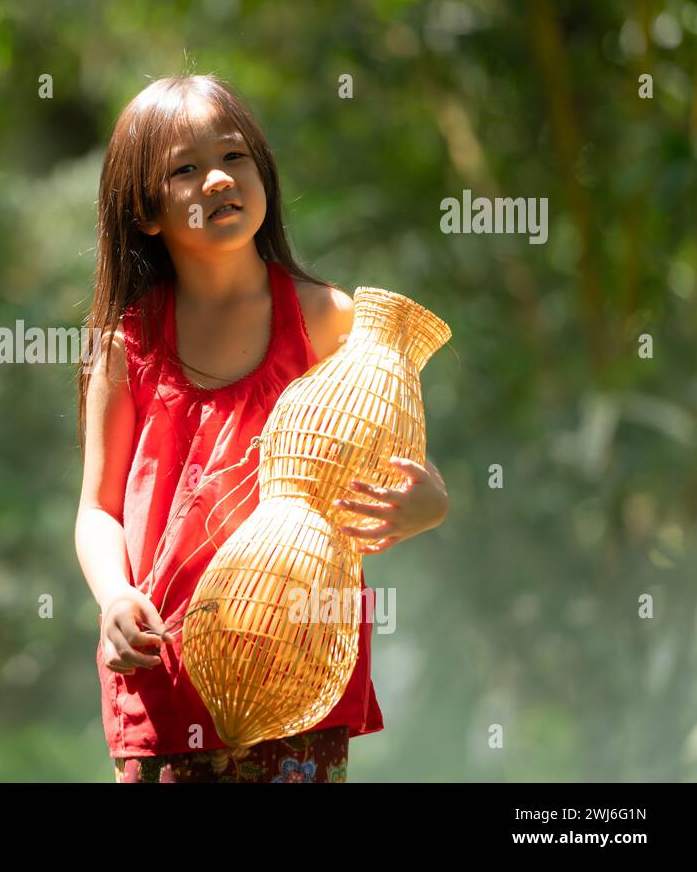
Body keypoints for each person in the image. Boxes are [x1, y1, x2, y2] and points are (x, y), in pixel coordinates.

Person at [74, 74, 451, 783]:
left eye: (235, 157)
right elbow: (97, 506)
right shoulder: (126, 348)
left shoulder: (329, 321)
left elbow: (401, 459)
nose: (217, 178)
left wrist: (429, 503)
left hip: (301, 668)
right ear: (145, 212)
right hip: (165, 677)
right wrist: (116, 596)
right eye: (185, 169)